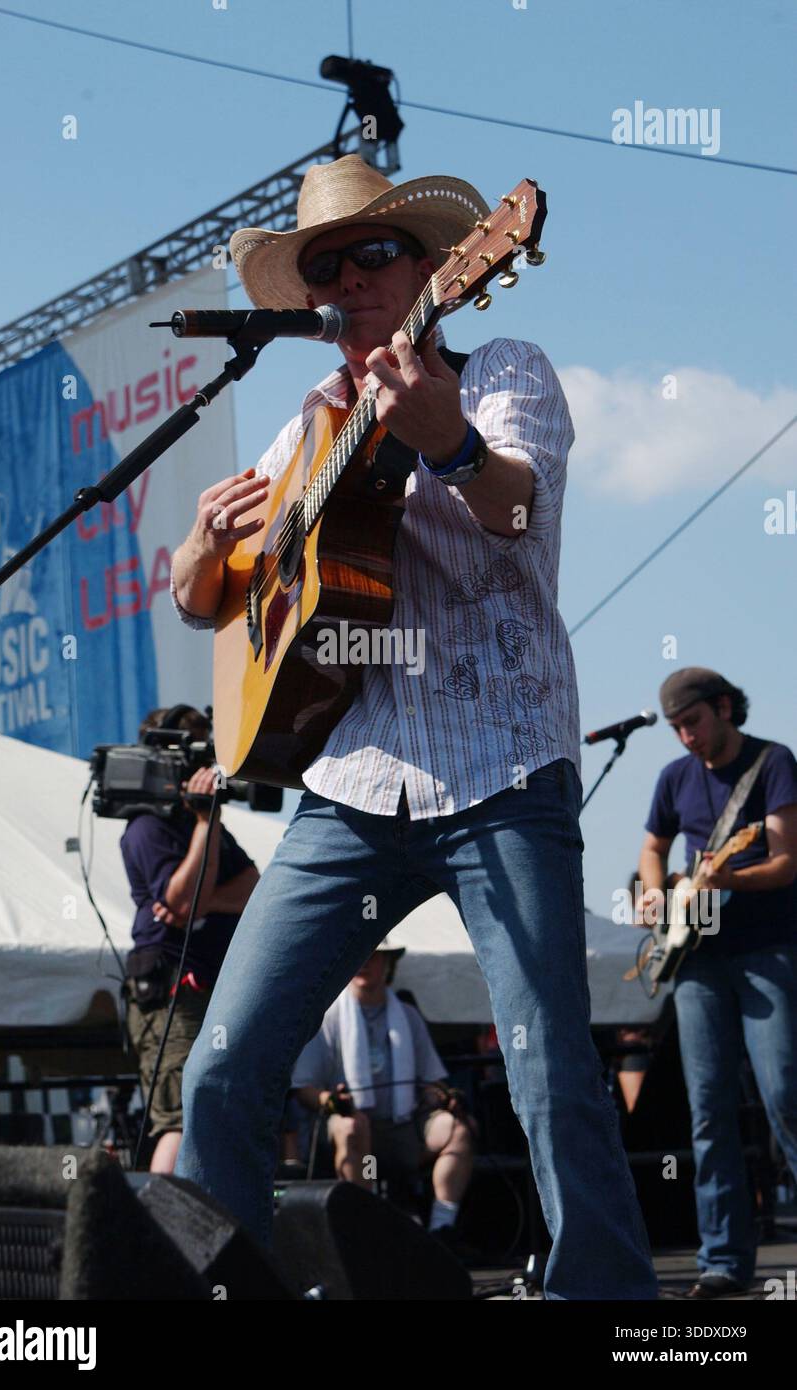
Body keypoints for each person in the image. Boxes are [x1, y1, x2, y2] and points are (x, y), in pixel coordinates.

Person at [170, 153, 657, 1299]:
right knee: (222, 1071)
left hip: (501, 770)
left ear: (441, 267)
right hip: (350, 787)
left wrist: (447, 440)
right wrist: (198, 550)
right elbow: (211, 600)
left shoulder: (502, 374)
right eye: (327, 267)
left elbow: (519, 511)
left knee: (548, 1072)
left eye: (373, 254)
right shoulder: (303, 438)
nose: (350, 280)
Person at [637, 667, 797, 1298]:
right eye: (676, 728)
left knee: (785, 1092)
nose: (685, 738)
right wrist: (656, 892)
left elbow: (786, 862)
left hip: (766, 952)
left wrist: (723, 879)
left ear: (725, 707)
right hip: (696, 960)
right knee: (707, 1110)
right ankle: (724, 1261)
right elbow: (653, 846)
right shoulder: (674, 778)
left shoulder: (774, 763)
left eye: (694, 722)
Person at [120, 705, 259, 1173]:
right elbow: (180, 905)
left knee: (214, 1111)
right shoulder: (147, 825)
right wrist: (204, 826)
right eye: (200, 752)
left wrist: (203, 899)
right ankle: (160, 1233)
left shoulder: (205, 823)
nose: (210, 767)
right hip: (172, 995)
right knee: (179, 1118)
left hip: (210, 987)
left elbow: (254, 889)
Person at [292, 938, 473, 1236]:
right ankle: (366, 1228)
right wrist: (332, 1101)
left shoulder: (409, 1017)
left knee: (456, 1129)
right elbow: (303, 1088)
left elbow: (430, 1082)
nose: (365, 962)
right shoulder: (327, 1017)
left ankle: (442, 1228)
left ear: (388, 964)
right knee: (353, 1125)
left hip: (402, 1128)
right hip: (350, 1133)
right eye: (360, 954)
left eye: (374, 956)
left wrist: (442, 1097)